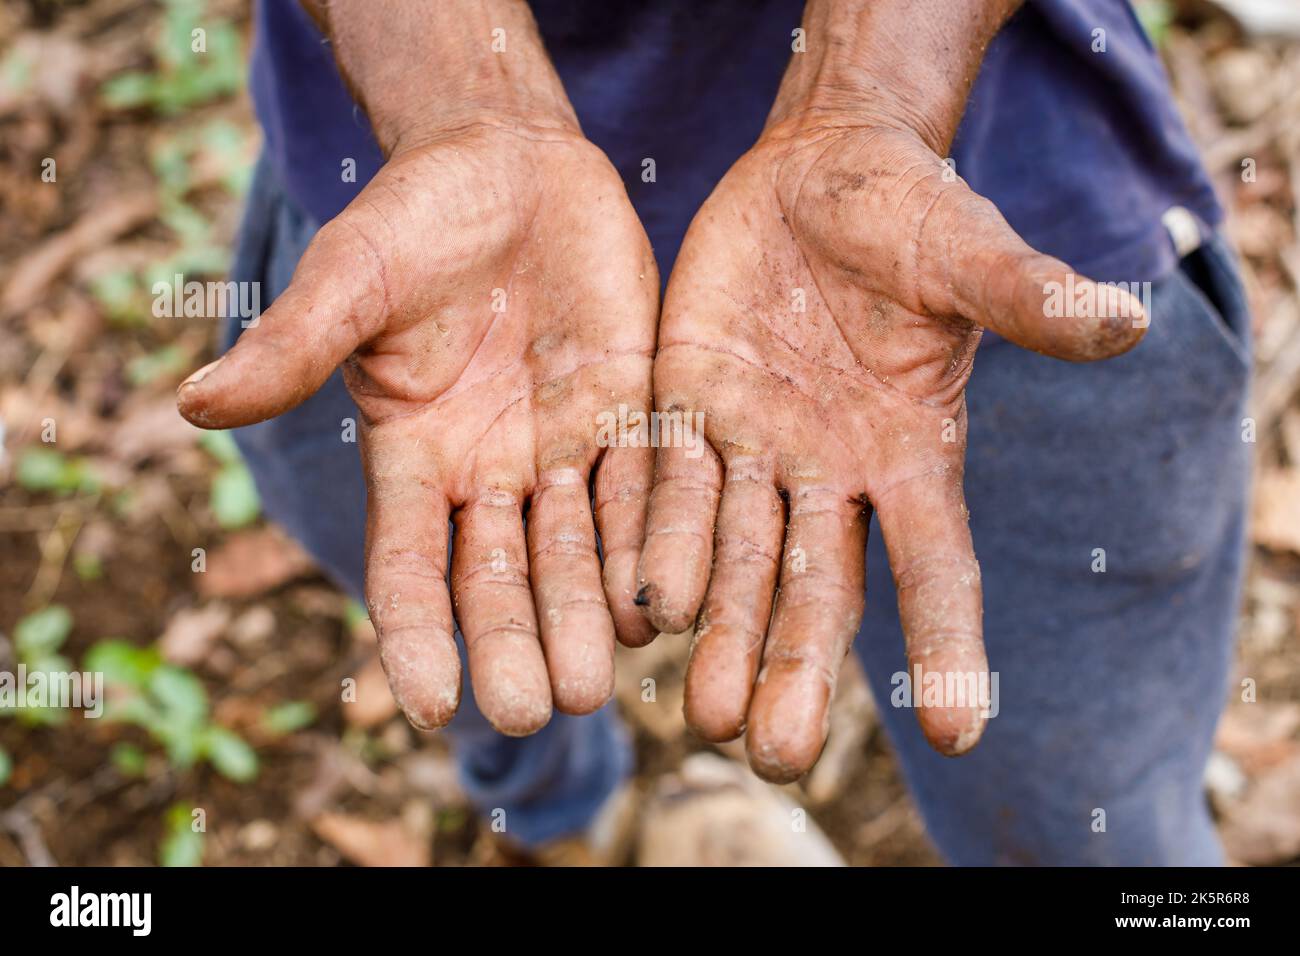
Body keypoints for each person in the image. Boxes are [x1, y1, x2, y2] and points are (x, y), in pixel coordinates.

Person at [178, 0, 1250, 865]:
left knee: (1092, 825)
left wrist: (867, 97)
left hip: (958, 206)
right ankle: (569, 827)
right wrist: (462, 104)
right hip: (427, 257)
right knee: (479, 639)